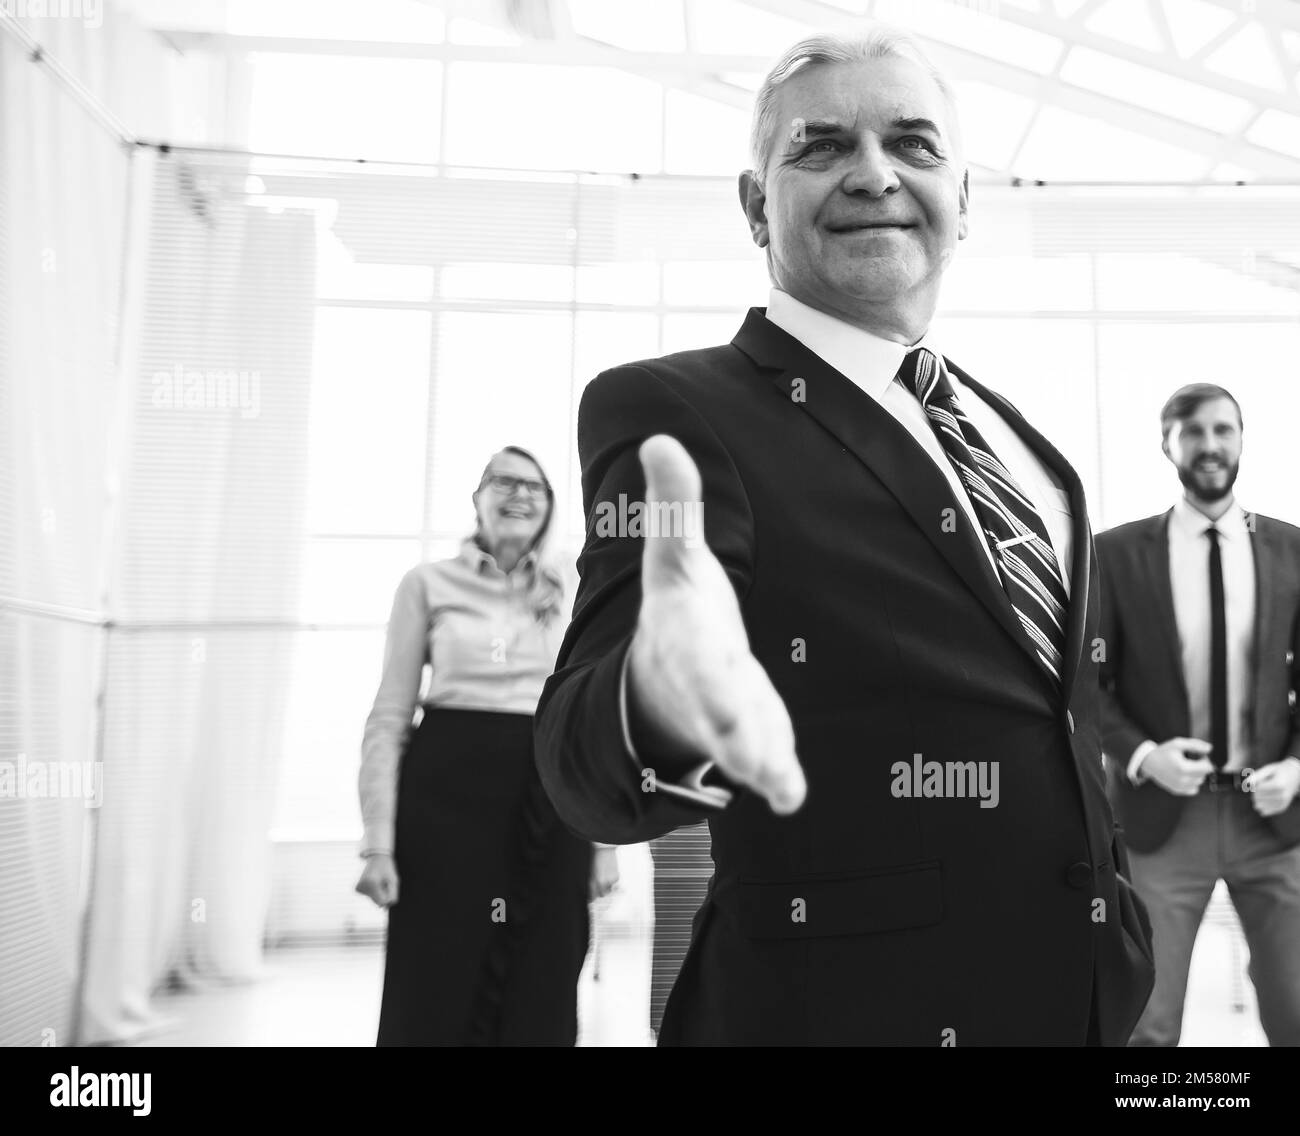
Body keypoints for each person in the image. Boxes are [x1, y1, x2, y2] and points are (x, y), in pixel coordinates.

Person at [533, 26, 1155, 1046]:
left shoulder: (1020, 441)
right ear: (753, 204)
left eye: (912, 144)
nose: (873, 174)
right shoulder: (677, 413)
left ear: (965, 199)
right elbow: (584, 762)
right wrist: (652, 697)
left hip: (1081, 996)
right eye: (821, 148)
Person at [356, 446, 618, 1046]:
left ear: (551, 507)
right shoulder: (425, 584)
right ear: (477, 498)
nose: (519, 493)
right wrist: (378, 845)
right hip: (444, 801)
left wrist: (605, 842)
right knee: (435, 973)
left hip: (551, 799)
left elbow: (593, 717)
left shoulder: (576, 587)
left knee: (546, 969)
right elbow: (390, 714)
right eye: (503, 480)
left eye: (535, 486)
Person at [1097, 384, 1300, 1047]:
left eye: (1223, 430)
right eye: (1193, 432)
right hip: (1161, 820)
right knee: (1146, 1024)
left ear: (1241, 439)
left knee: (1296, 1011)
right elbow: (1084, 685)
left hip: (1274, 818)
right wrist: (1142, 753)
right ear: (1168, 444)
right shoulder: (1116, 554)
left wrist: (1298, 767)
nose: (1210, 445)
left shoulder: (1293, 550)